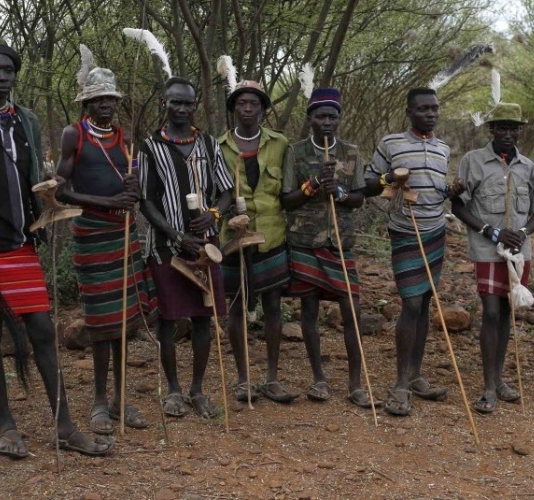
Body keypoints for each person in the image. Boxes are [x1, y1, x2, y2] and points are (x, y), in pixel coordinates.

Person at [0, 38, 112, 457]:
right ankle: (6, 424)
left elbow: (36, 178)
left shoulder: (26, 121)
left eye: (8, 70)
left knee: (43, 332)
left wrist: (47, 202)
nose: (2, 76)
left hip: (20, 242)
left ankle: (64, 425)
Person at [54, 65, 157, 433]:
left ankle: (119, 399)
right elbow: (60, 190)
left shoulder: (122, 137)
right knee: (100, 322)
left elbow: (131, 187)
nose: (105, 106)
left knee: (125, 320)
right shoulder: (74, 135)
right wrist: (105, 200)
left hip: (124, 232)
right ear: (87, 103)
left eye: (110, 100)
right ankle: (99, 401)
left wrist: (132, 191)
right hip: (92, 234)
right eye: (98, 100)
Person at [139, 77, 234, 419]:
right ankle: (174, 390)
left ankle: (197, 388)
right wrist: (176, 235)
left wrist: (213, 214)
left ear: (195, 106)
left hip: (205, 246)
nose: (181, 109)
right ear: (163, 104)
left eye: (187, 103)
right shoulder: (149, 147)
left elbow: (226, 190)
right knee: (167, 318)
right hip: (167, 246)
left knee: (202, 317)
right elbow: (145, 201)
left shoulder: (208, 144)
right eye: (174, 102)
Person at [364, 88, 460, 416]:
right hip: (405, 231)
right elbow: (368, 184)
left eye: (434, 109)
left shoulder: (443, 148)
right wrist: (390, 177)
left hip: (435, 231)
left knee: (426, 303)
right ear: (409, 112)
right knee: (412, 302)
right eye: (422, 109)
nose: (430, 114)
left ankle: (417, 375)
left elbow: (438, 191)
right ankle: (401, 383)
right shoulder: (391, 143)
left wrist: (452, 190)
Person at [451, 103, 534, 414]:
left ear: (520, 131)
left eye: (514, 128)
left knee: (507, 311)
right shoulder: (473, 161)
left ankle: (500, 377)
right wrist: (490, 231)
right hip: (486, 248)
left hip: (518, 251)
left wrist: (521, 231)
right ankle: (488, 386)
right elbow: (458, 205)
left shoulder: (527, 166)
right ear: (491, 130)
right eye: (502, 127)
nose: (508, 133)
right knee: (491, 311)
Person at [281, 87, 376, 409]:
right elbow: (287, 201)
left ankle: (355, 383)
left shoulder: (350, 153)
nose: (326, 122)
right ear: (309, 119)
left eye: (331, 117)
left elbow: (360, 198)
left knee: (352, 309)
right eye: (320, 116)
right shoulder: (295, 153)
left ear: (338, 120)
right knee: (308, 311)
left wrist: (338, 192)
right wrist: (311, 187)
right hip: (305, 241)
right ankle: (319, 379)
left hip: (339, 243)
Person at [218, 81, 295, 403]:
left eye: (254, 104)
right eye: (242, 104)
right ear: (233, 108)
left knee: (273, 306)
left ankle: (272, 378)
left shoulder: (280, 144)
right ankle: (242, 378)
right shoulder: (217, 146)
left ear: (263, 109)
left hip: (271, 235)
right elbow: (215, 192)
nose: (248, 109)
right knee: (235, 308)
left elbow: (289, 191)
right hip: (233, 238)